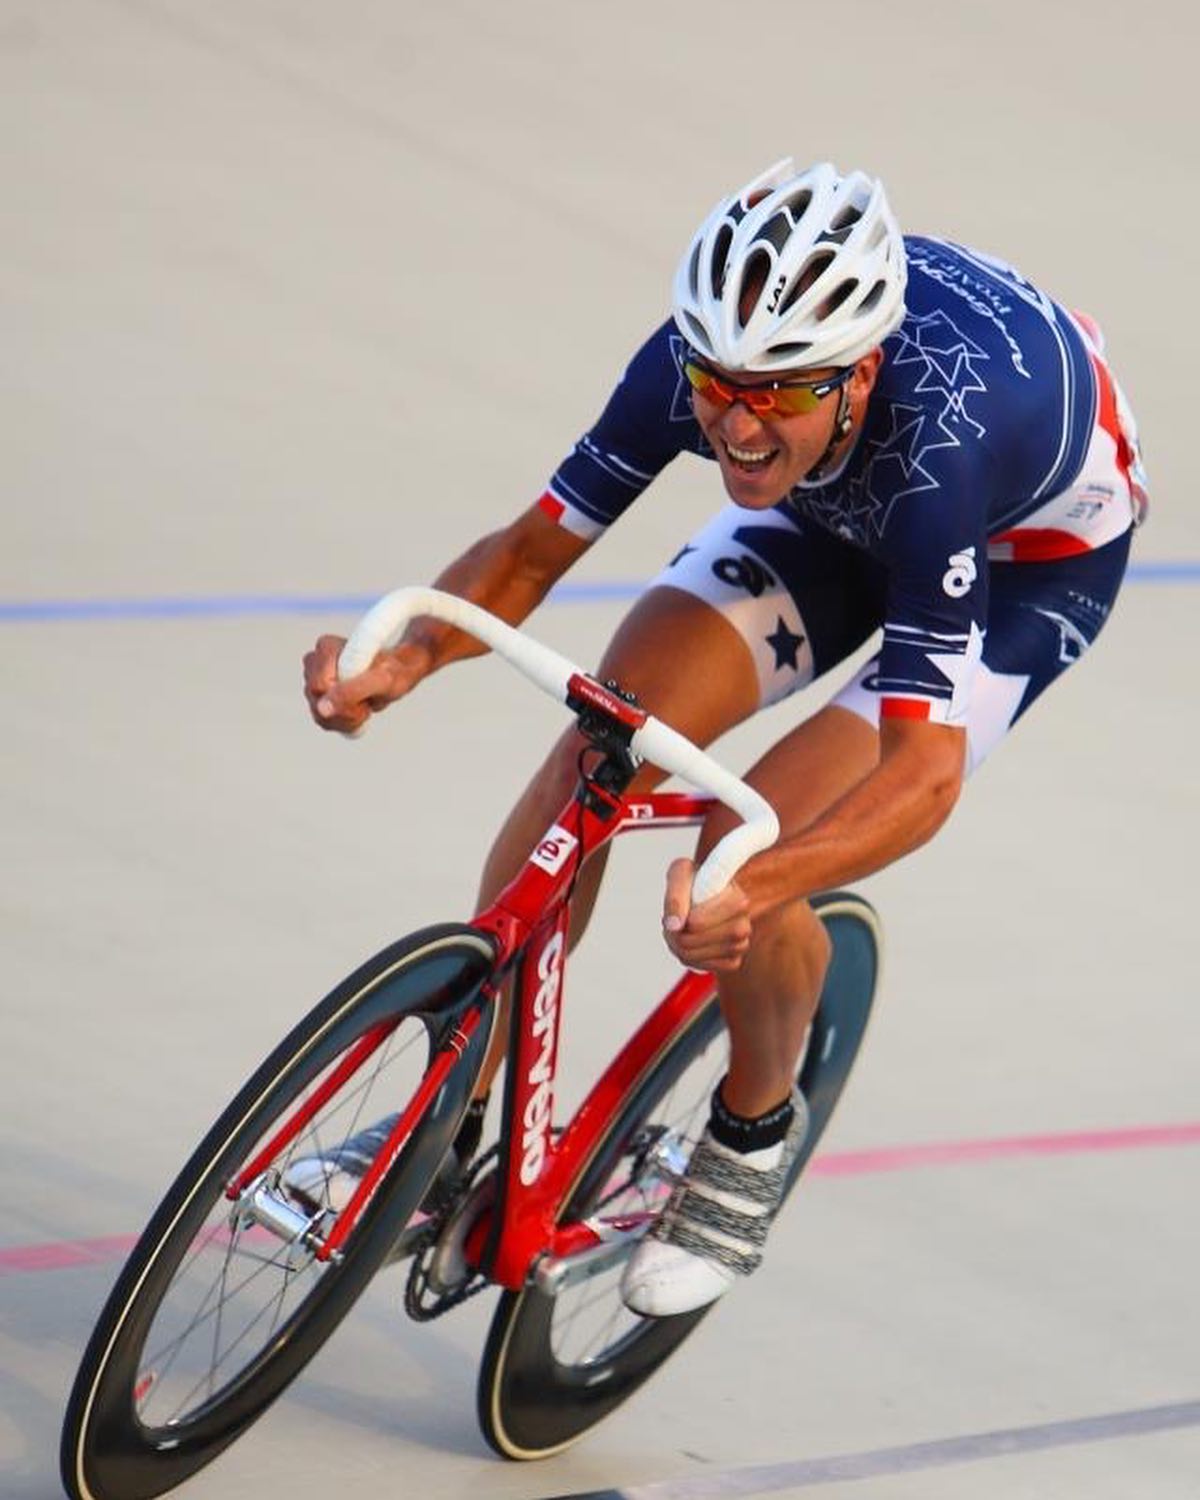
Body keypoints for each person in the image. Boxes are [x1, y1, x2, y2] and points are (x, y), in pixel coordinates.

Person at [294, 158, 1148, 1317]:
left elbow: (923, 776)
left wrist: (763, 880)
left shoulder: (944, 443)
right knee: (605, 738)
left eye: (780, 394)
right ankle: (445, 1124)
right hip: (836, 504)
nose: (739, 425)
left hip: (1015, 566)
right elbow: (530, 554)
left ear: (860, 370)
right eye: (720, 386)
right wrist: (403, 663)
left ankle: (748, 1140)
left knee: (744, 850)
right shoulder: (706, 364)